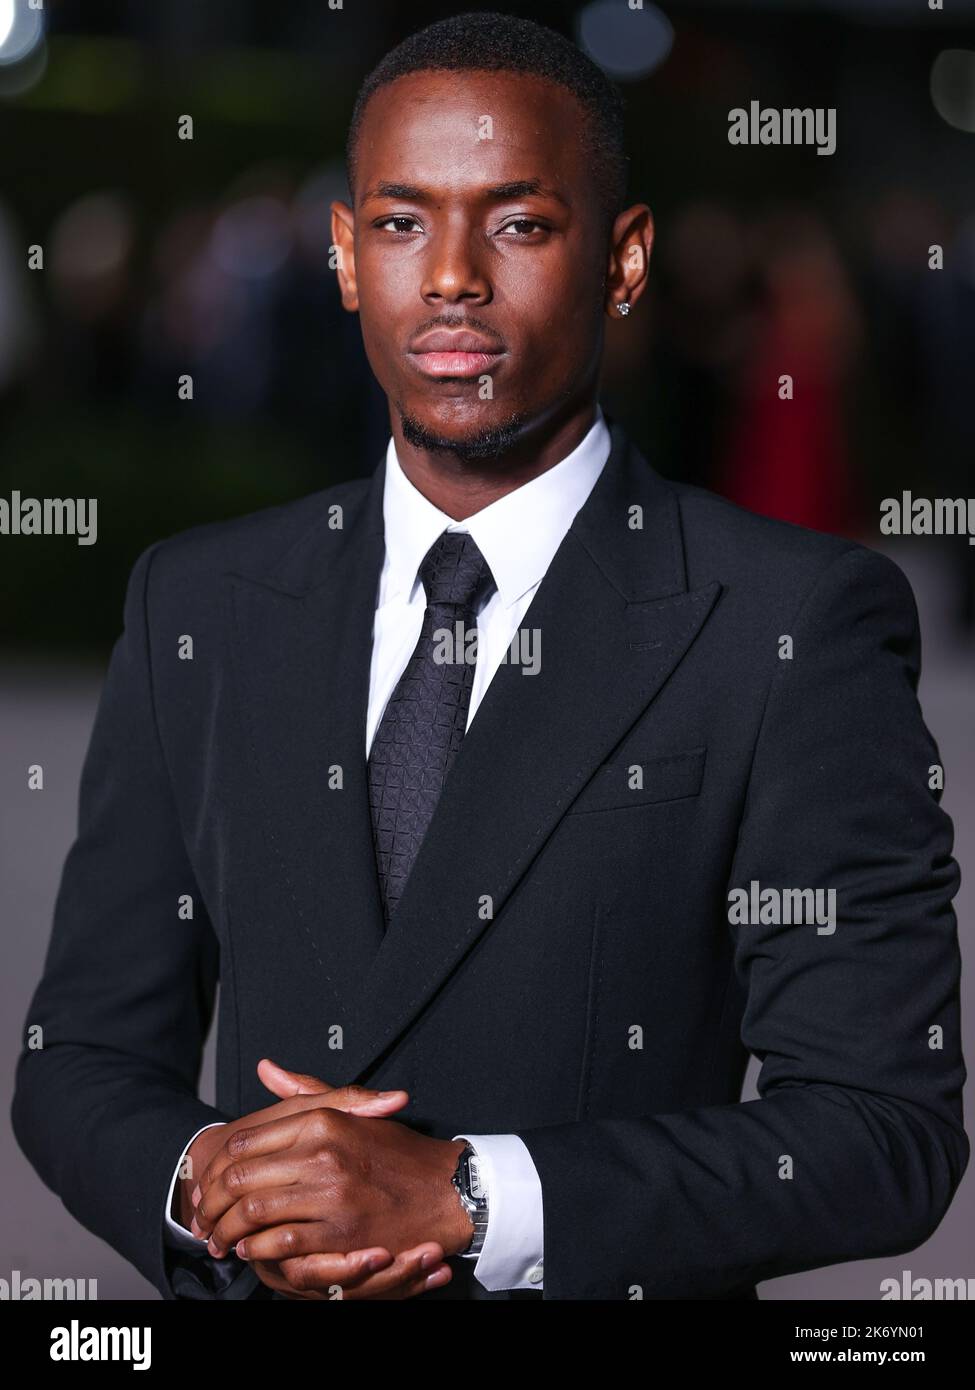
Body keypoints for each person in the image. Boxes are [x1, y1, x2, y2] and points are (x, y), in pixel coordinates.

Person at [12, 11, 968, 1302]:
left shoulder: (789, 619)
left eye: (519, 223)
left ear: (624, 262)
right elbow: (79, 1056)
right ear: (346, 257)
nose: (452, 274)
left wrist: (468, 1196)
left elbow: (880, 1130)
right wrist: (216, 1186)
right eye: (403, 223)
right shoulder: (202, 604)